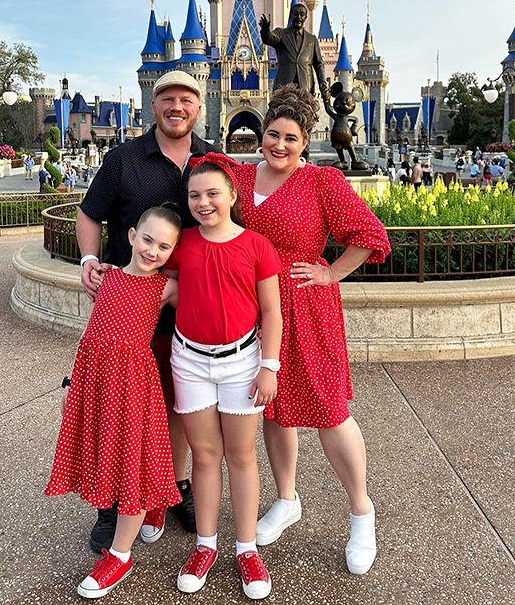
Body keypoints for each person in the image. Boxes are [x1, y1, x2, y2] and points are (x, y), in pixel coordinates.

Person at [232, 86, 391, 576]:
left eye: (290, 138)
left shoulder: (323, 181)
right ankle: (286, 499)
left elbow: (370, 235)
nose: (279, 145)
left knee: (328, 409)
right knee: (275, 406)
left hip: (305, 305)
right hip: (255, 305)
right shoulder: (241, 174)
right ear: (262, 134)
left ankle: (361, 512)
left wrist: (330, 272)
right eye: (272, 134)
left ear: (305, 142)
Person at [77, 70, 219, 552]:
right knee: (118, 406)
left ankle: (171, 487)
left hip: (186, 305)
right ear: (153, 104)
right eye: (167, 99)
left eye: (186, 99)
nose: (177, 107)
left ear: (199, 106)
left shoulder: (212, 160)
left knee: (178, 403)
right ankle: (112, 500)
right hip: (130, 307)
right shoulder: (123, 159)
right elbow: (88, 213)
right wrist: (90, 260)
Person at [45, 206, 184, 598]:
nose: (152, 251)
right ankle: (145, 509)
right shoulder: (106, 277)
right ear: (131, 236)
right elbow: (90, 334)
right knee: (113, 456)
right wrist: (73, 383)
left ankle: (121, 554)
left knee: (134, 462)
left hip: (135, 385)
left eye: (163, 247)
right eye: (147, 240)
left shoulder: (166, 286)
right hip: (98, 382)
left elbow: (208, 303)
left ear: (172, 252)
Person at [166, 154, 283, 599]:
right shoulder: (182, 243)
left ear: (233, 195)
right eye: (195, 195)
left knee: (242, 455)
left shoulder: (257, 245)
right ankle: (205, 545)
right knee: (204, 456)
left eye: (213, 193)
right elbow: (164, 287)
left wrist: (269, 366)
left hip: (242, 363)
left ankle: (247, 549)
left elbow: (271, 311)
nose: (204, 202)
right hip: (191, 361)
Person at [259, 2, 330, 99]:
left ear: (305, 17)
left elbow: (318, 64)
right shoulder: (281, 34)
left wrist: (323, 83)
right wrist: (265, 31)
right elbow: (270, 39)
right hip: (284, 86)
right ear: (291, 16)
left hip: (306, 86)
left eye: (302, 14)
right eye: (296, 14)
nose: (299, 17)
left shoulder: (312, 39)